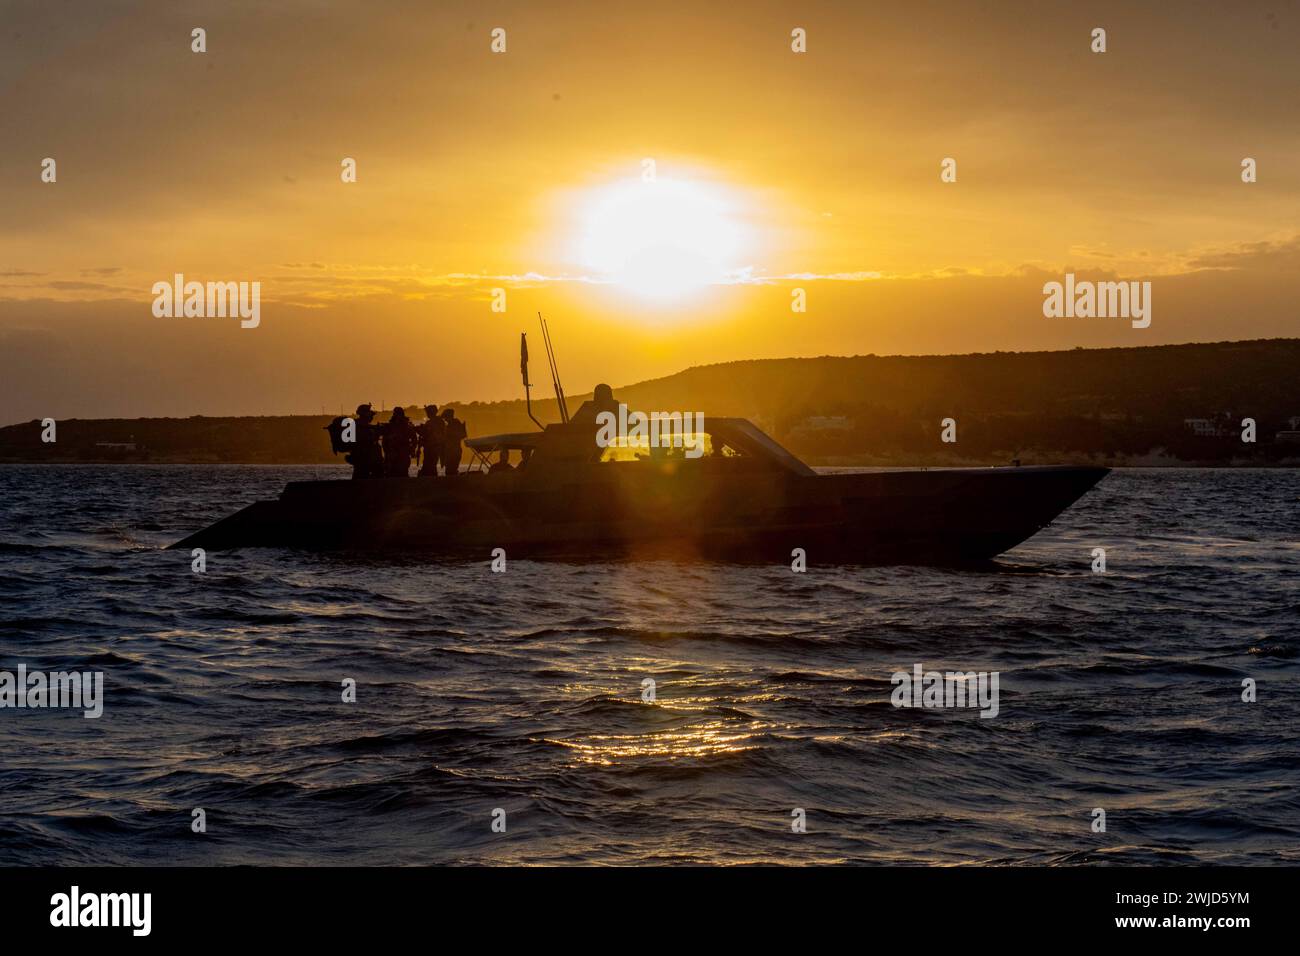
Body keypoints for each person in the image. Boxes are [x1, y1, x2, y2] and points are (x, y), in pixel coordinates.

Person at [346, 403, 383, 479]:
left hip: (366, 458)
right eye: (370, 415)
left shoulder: (365, 427)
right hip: (362, 457)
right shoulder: (357, 426)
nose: (372, 417)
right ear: (365, 415)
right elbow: (360, 441)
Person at [381, 407, 418, 478]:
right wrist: (387, 452)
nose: (398, 416)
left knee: (402, 473)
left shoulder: (406, 427)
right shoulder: (390, 427)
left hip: (403, 454)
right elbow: (384, 441)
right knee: (391, 473)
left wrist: (411, 449)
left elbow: (414, 439)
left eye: (399, 414)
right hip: (393, 454)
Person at [417, 404, 445, 477]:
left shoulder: (435, 422)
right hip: (432, 447)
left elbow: (431, 434)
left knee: (430, 464)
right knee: (429, 465)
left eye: (428, 412)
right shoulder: (437, 422)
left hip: (433, 447)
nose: (427, 414)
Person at [440, 407, 467, 476]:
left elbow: (458, 436)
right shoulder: (451, 425)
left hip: (453, 451)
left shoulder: (454, 424)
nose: (445, 419)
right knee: (451, 470)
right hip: (452, 451)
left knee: (451, 470)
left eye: (445, 417)